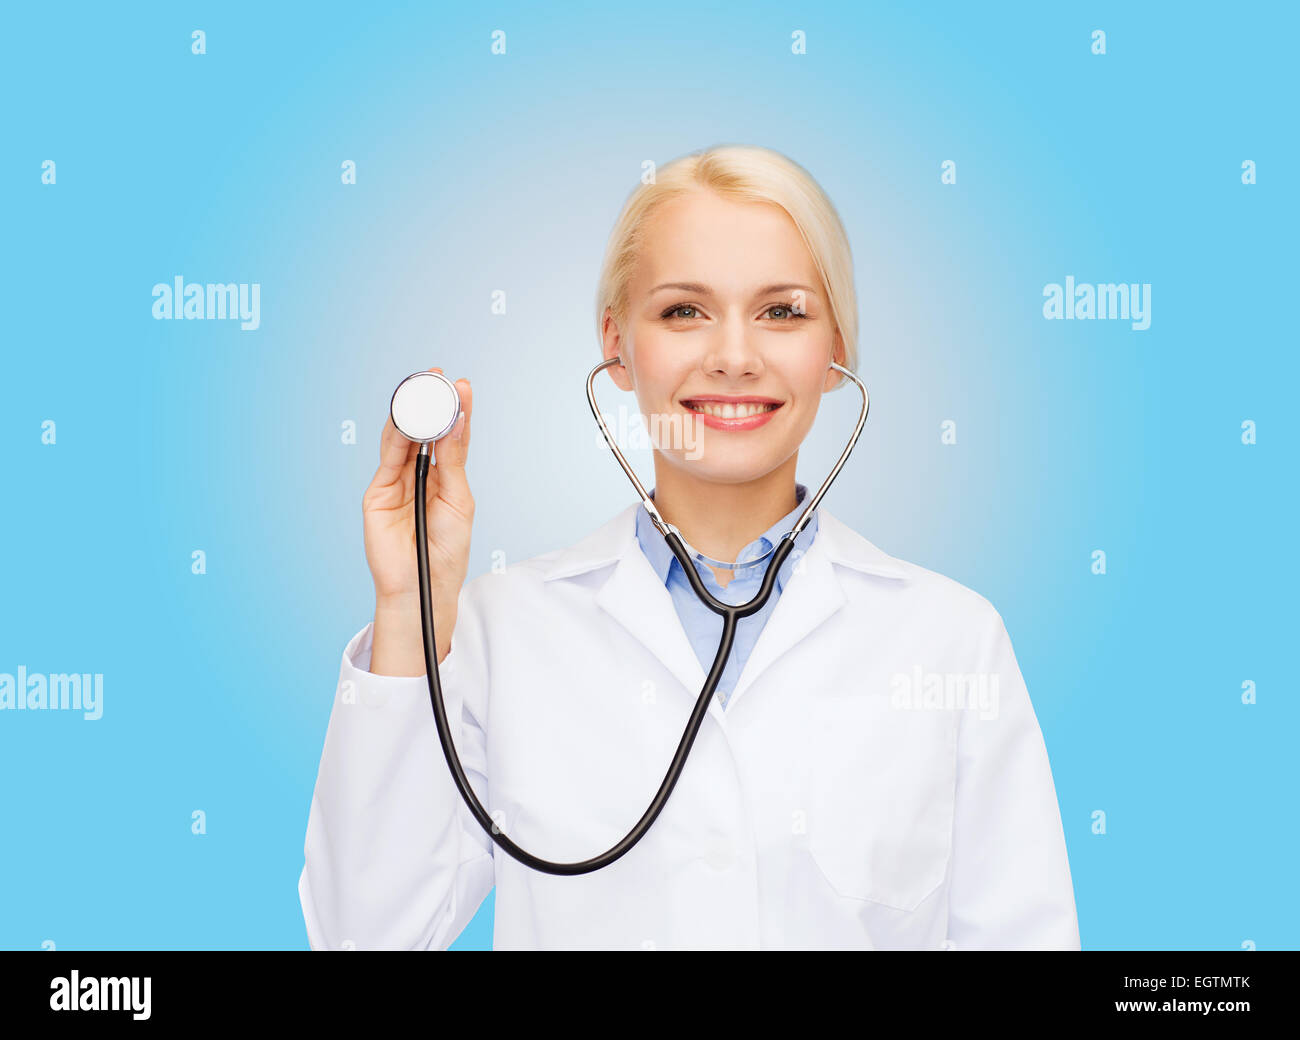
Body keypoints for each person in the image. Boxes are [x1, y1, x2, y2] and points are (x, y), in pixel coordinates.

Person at [297, 144, 1080, 950]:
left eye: (782, 311)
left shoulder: (949, 640)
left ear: (836, 351)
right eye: (683, 311)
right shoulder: (500, 631)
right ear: (617, 347)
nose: (734, 357)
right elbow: (365, 935)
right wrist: (407, 610)